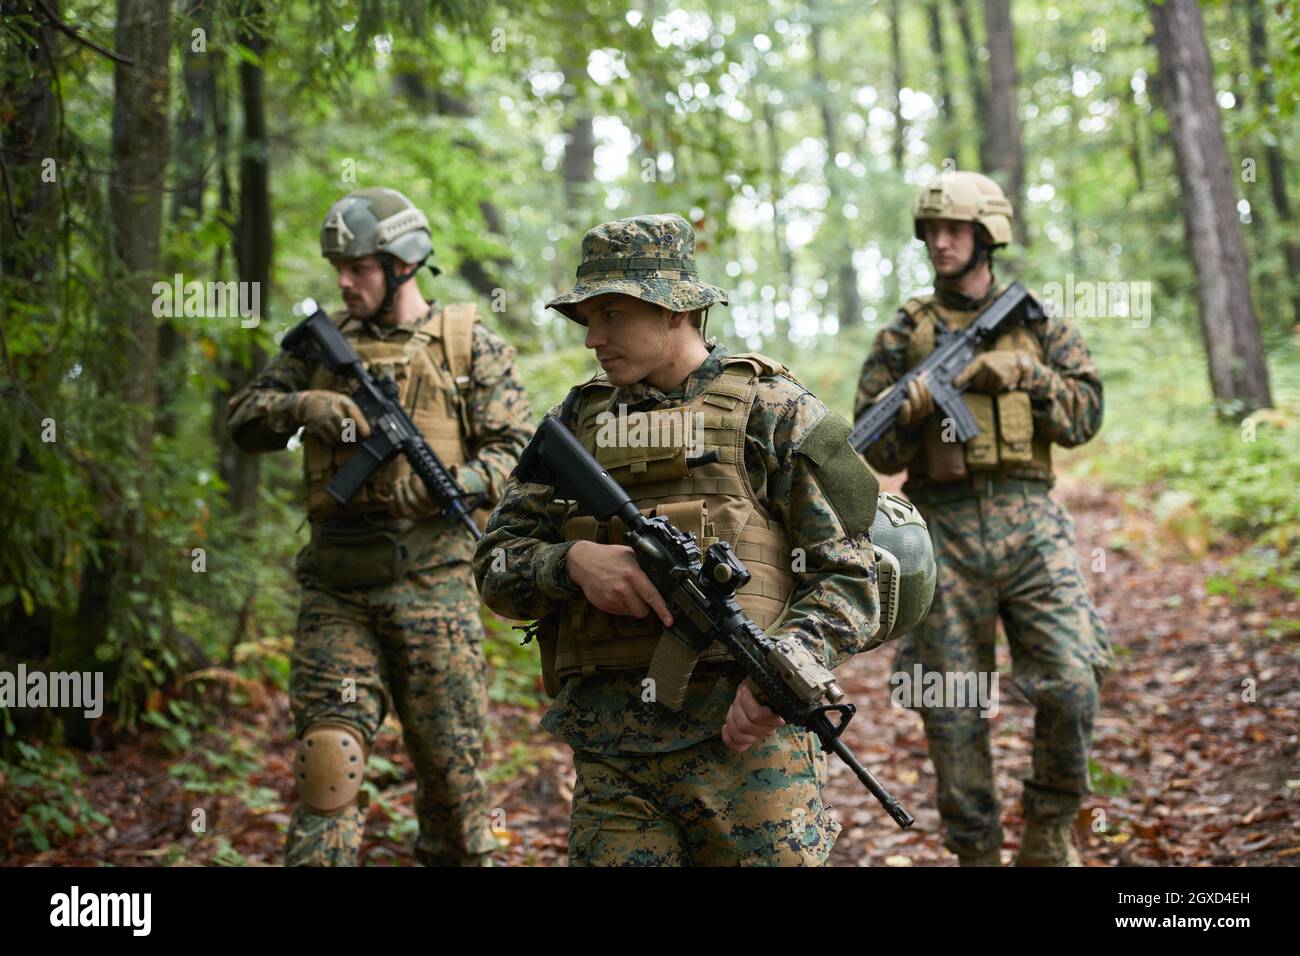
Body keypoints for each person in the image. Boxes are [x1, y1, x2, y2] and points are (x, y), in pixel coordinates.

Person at [472, 213, 886, 866]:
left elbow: (855, 572)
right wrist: (571, 562)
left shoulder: (775, 410)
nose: (593, 339)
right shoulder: (575, 423)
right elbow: (495, 565)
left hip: (749, 753)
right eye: (586, 318)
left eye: (611, 313)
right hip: (615, 760)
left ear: (674, 310)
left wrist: (784, 674)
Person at [227, 186, 533, 866]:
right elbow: (243, 418)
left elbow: (519, 450)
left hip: (435, 586)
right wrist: (303, 405)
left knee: (454, 787)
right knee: (327, 760)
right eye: (339, 266)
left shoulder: (466, 345)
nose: (343, 280)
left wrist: (458, 485)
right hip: (338, 586)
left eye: (359, 266)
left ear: (403, 264)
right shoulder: (316, 350)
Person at [853, 170, 1111, 866]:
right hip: (941, 529)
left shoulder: (1038, 324)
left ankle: (1050, 824)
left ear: (987, 235)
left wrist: (1025, 375)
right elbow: (868, 446)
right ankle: (976, 852)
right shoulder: (905, 331)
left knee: (1073, 677)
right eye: (931, 231)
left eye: (954, 230)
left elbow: (1086, 417)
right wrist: (909, 414)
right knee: (950, 703)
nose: (940, 242)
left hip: (1031, 520)